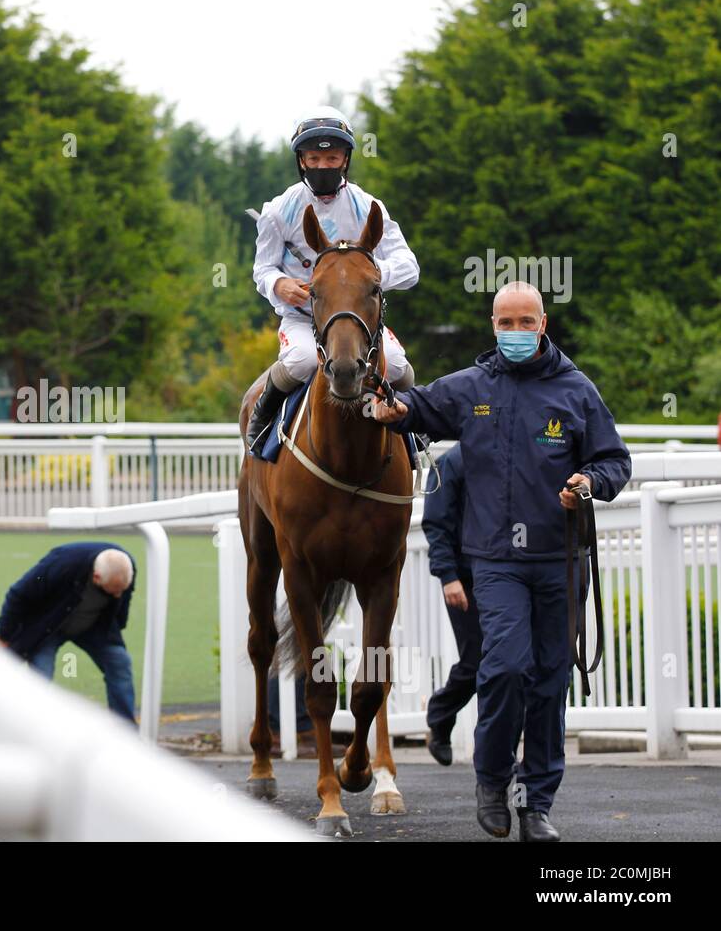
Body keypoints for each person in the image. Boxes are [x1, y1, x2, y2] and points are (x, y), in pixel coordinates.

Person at [374, 282, 631, 842]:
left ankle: (536, 803)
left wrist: (590, 481)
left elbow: (614, 459)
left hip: (562, 560)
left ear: (543, 324)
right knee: (506, 667)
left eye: (525, 322)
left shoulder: (576, 391)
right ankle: (492, 782)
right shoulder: (471, 388)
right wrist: (389, 407)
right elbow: (414, 407)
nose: (515, 332)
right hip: (495, 561)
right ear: (493, 326)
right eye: (505, 323)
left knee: (548, 682)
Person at [245, 106, 421, 454]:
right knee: (303, 360)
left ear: (345, 159)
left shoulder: (369, 206)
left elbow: (409, 266)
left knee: (400, 368)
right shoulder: (278, 210)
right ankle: (261, 418)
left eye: (332, 157)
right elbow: (262, 270)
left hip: (359, 321)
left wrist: (367, 276)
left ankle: (415, 434)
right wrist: (280, 285)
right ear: (301, 161)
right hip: (304, 318)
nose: (323, 165)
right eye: (314, 157)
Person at [0, 543, 137, 723]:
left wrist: (117, 627)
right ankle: (33, 729)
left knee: (120, 664)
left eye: (121, 591)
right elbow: (19, 593)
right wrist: (3, 635)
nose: (118, 595)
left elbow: (123, 605)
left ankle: (125, 733)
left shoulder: (125, 567)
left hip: (95, 627)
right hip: (49, 627)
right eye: (113, 590)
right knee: (40, 676)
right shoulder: (59, 564)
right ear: (96, 577)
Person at [422, 442, 482, 766]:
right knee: (476, 659)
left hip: (503, 574)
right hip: (465, 579)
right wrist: (448, 576)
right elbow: (436, 523)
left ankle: (495, 750)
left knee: (505, 663)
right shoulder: (450, 463)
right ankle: (440, 714)